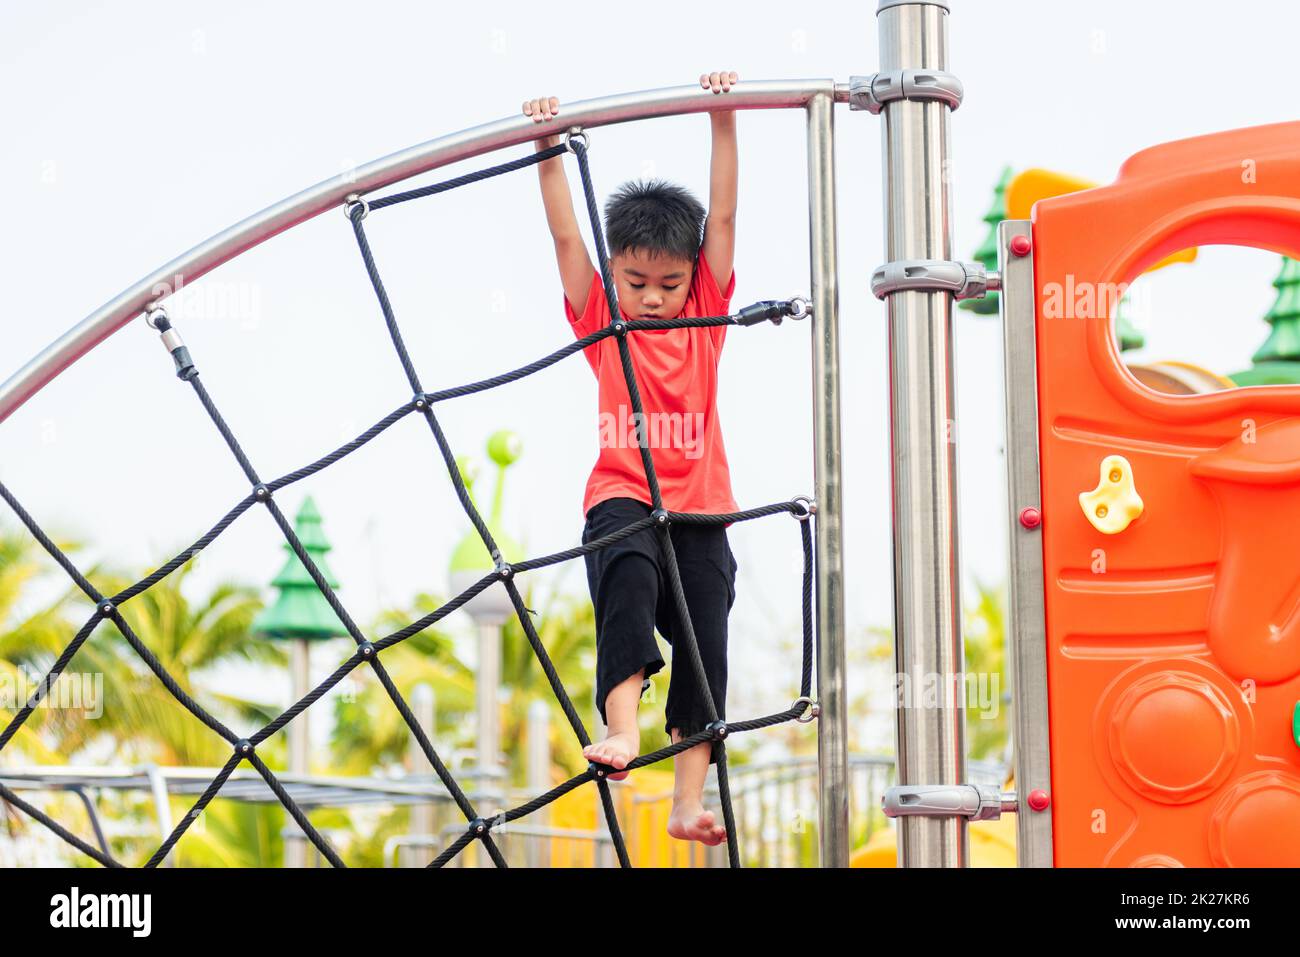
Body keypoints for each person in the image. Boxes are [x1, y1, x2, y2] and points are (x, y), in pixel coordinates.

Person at [524, 70, 740, 845]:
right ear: (616, 277)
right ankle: (621, 732)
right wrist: (548, 146)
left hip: (703, 506)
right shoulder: (602, 318)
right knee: (627, 583)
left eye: (668, 283)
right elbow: (564, 238)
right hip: (621, 493)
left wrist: (724, 118)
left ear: (693, 281)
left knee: (706, 641)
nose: (651, 297)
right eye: (636, 281)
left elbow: (723, 213)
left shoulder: (707, 314)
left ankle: (688, 799)